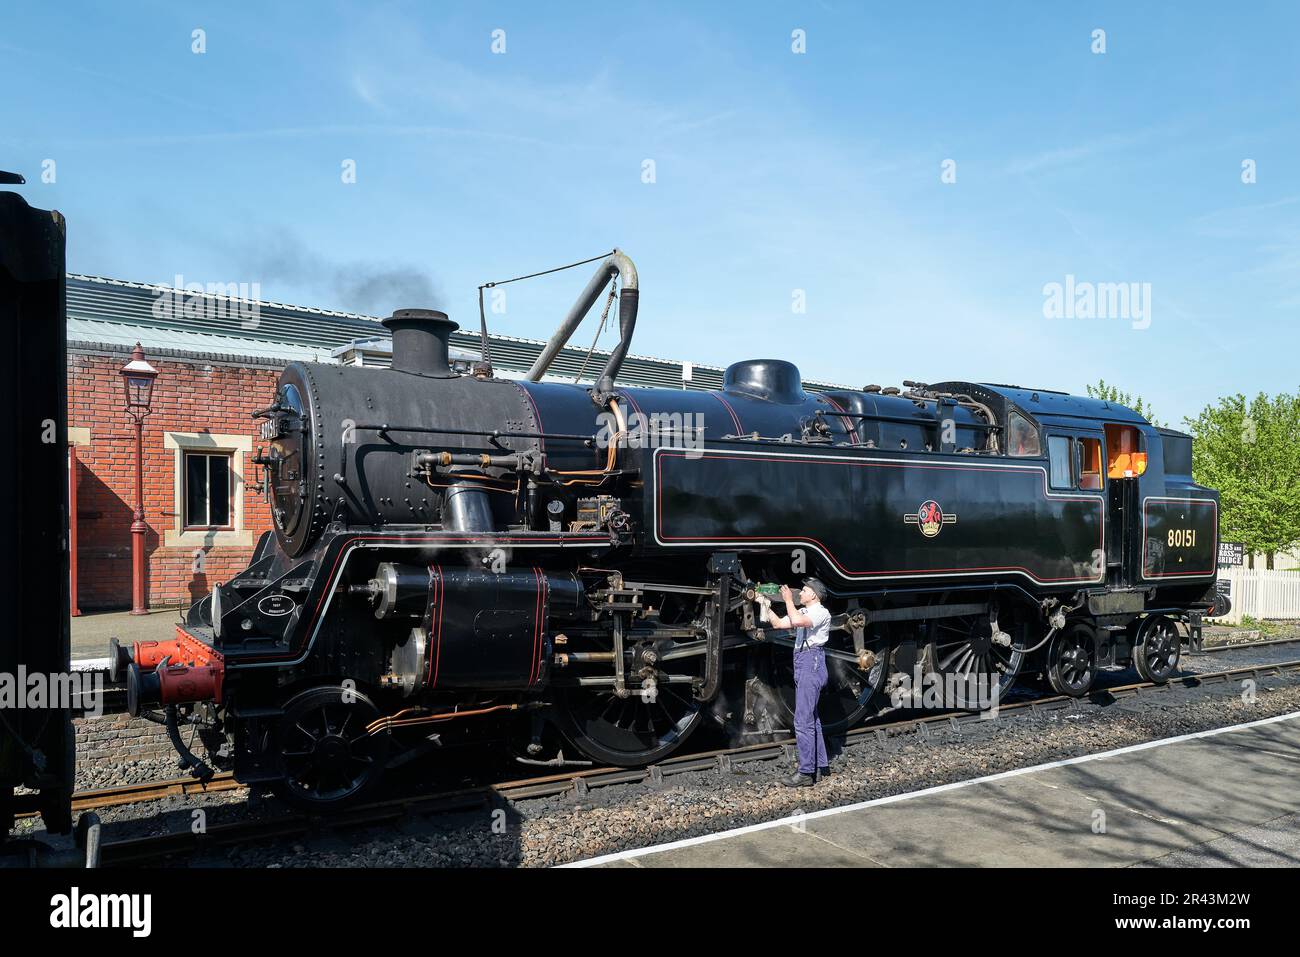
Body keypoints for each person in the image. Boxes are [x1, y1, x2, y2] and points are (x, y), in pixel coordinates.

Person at [758, 577, 832, 787]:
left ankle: (806, 772)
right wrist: (766, 605)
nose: (800, 593)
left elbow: (798, 621)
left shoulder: (820, 612)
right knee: (812, 718)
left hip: (811, 662)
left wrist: (788, 600)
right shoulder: (806, 611)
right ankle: (820, 766)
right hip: (804, 662)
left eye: (805, 591)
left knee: (802, 720)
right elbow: (780, 624)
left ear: (814, 595)